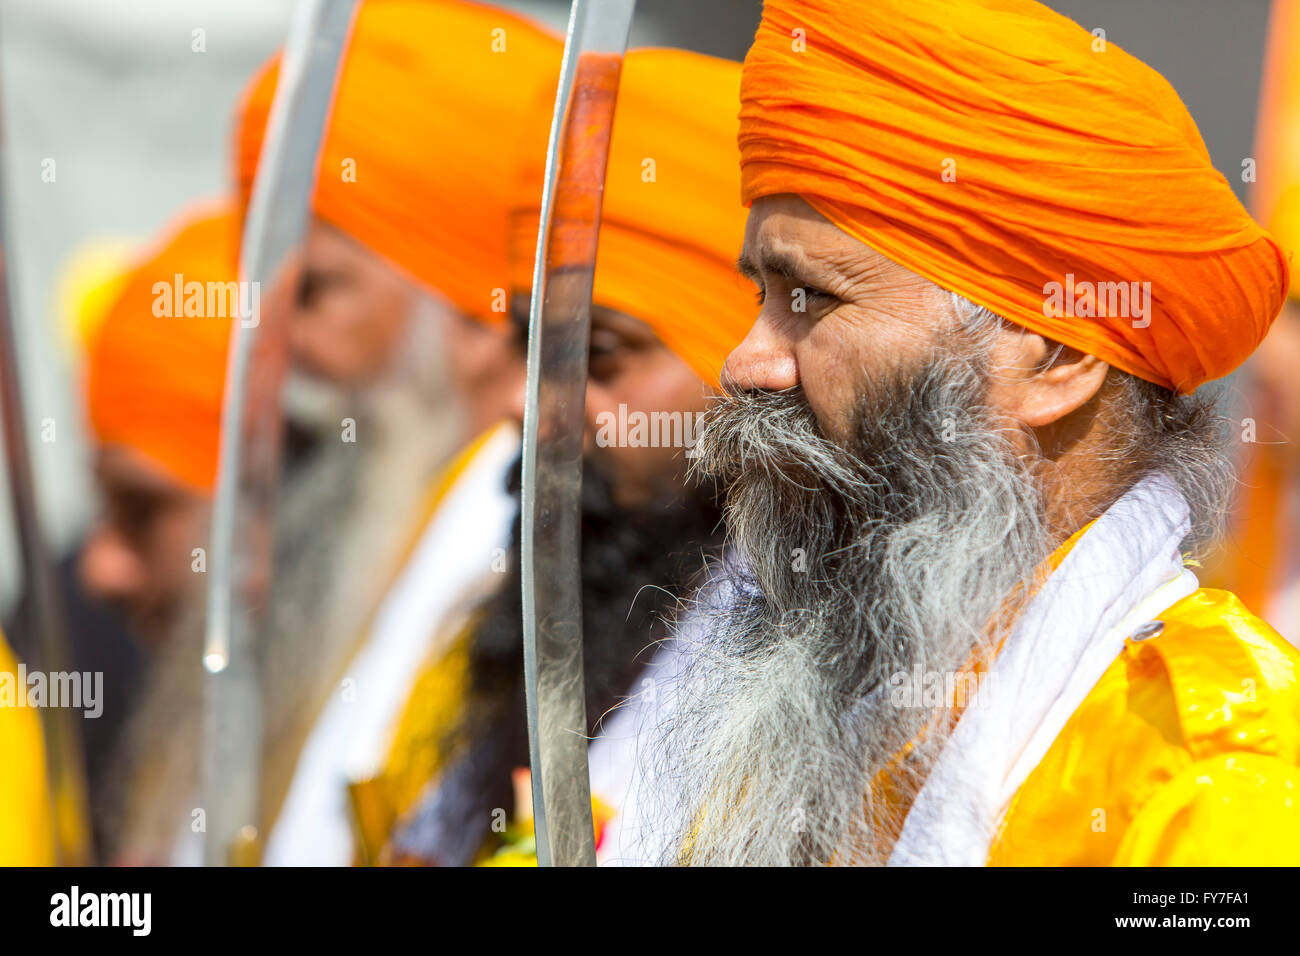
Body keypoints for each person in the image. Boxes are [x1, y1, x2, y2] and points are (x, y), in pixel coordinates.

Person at [626, 0, 1300, 866]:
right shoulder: (827, 707)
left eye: (813, 300)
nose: (744, 364)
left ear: (1054, 357)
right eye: (761, 297)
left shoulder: (1224, 785)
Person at [358, 46, 756, 866]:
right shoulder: (482, 650)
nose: (526, 406)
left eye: (599, 357)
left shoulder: (831, 708)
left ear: (749, 371)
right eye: (528, 350)